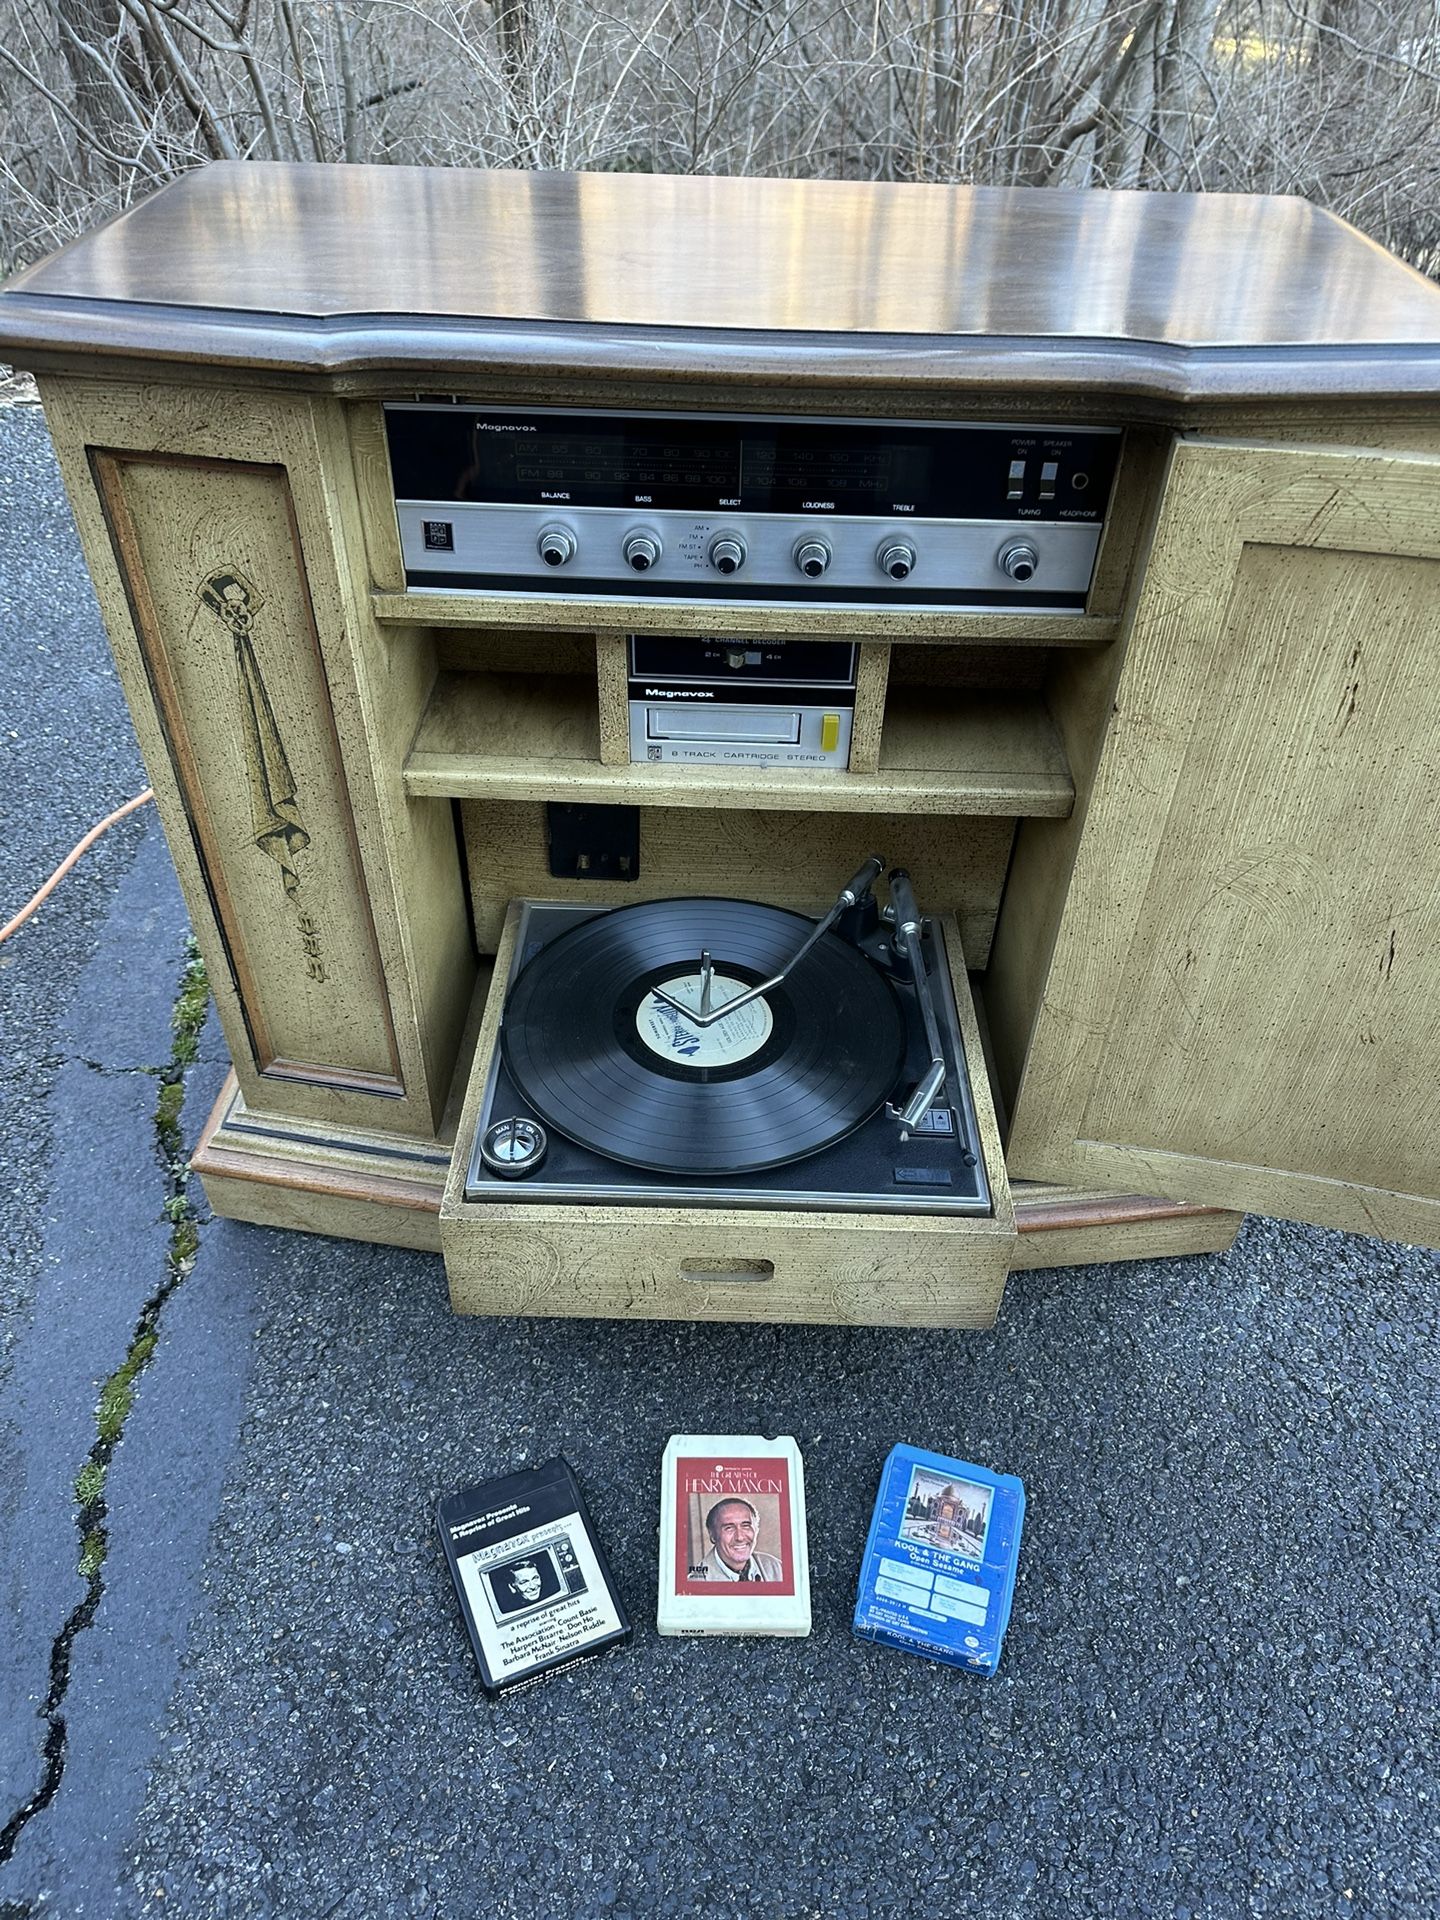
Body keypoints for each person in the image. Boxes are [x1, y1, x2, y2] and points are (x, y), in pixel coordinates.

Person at [699, 1497, 782, 1582]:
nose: (740, 1537)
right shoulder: (697, 1581)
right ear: (712, 1535)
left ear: (756, 1530)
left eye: (745, 1526)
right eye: (729, 1528)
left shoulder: (777, 1569)